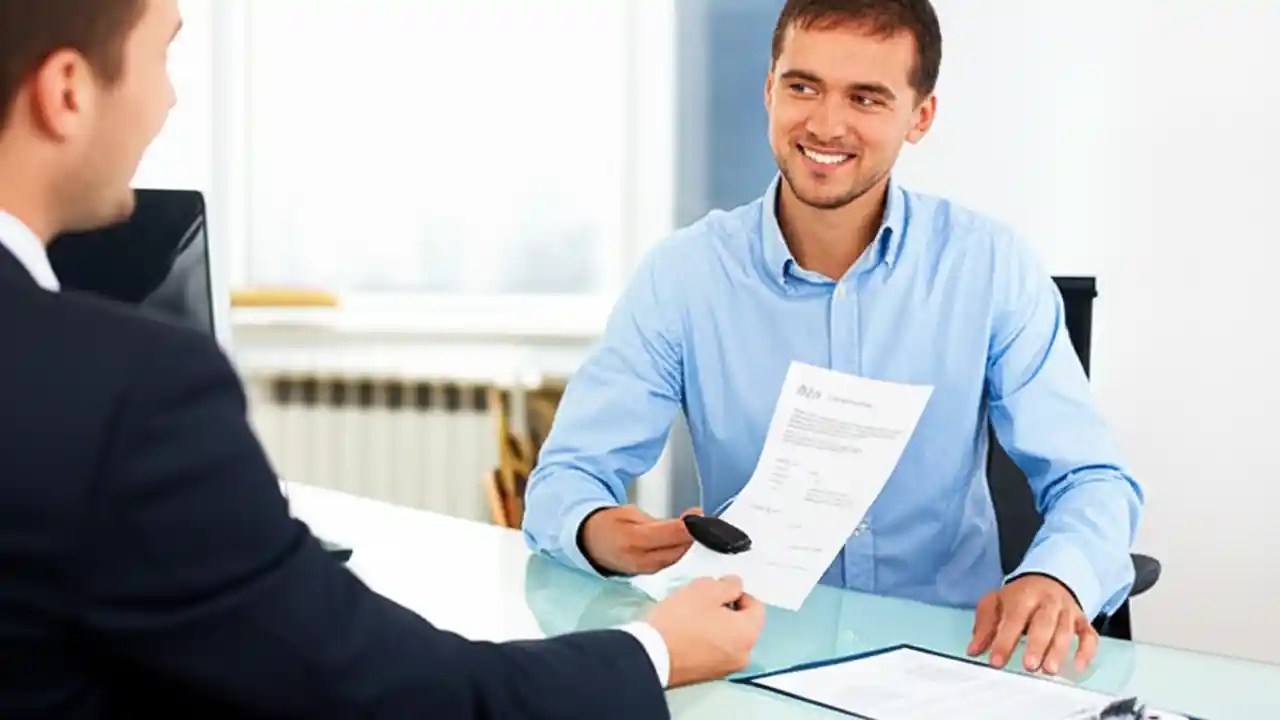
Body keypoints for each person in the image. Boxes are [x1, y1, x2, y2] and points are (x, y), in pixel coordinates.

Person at [0, 1, 765, 718]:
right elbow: (380, 691)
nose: (168, 102)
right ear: (67, 91)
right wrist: (654, 649)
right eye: (162, 56)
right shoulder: (127, 391)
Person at [523, 0, 1143, 678]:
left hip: (947, 668)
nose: (825, 123)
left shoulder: (989, 268)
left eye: (867, 98)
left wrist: (1058, 579)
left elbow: (1094, 482)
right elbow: (566, 481)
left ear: (920, 117)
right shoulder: (684, 276)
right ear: (769, 90)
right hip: (752, 660)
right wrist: (598, 532)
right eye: (803, 86)